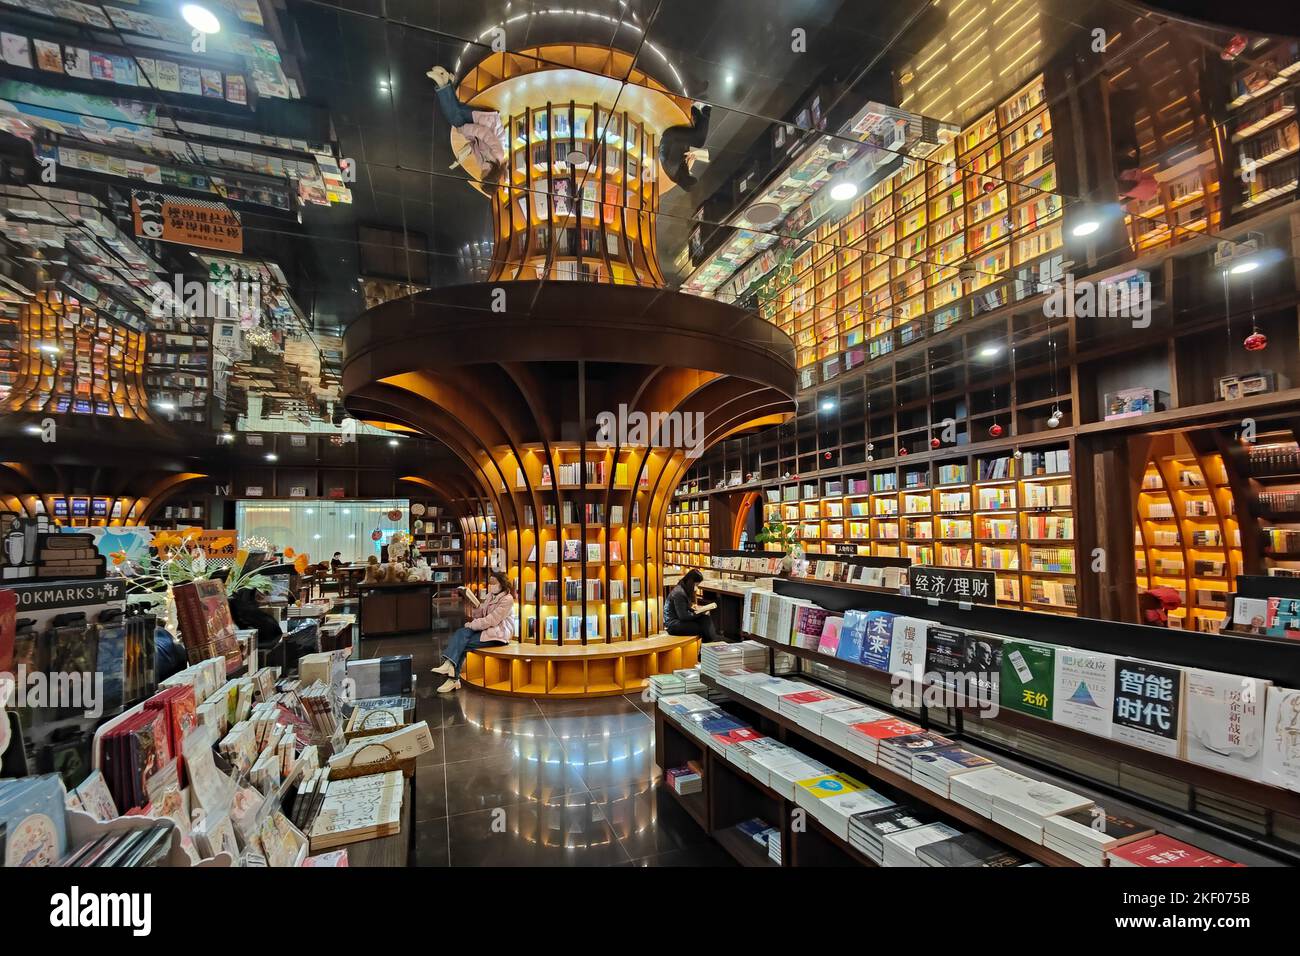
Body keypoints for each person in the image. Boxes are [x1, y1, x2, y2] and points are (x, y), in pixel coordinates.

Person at [431, 570, 516, 692]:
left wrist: (472, 625)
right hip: (487, 630)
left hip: (499, 634)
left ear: (502, 584)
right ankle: (450, 669)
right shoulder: (490, 595)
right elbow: (481, 614)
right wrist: (475, 606)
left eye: (494, 583)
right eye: (490, 582)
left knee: (463, 642)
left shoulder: (507, 599)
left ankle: (452, 676)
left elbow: (492, 620)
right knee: (461, 633)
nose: (491, 585)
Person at [659, 102, 711, 190]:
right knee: (697, 139)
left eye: (690, 174)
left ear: (686, 177)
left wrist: (688, 153)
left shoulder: (674, 167)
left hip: (670, 137)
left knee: (699, 141)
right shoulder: (676, 176)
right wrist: (687, 158)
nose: (690, 172)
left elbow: (678, 144)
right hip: (671, 141)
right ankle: (698, 110)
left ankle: (703, 109)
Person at [664, 568, 719, 641]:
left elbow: (684, 609)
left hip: (679, 621)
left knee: (705, 619)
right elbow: (683, 616)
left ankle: (712, 641)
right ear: (691, 582)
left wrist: (697, 611)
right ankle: (711, 642)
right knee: (700, 627)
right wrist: (699, 613)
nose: (696, 587)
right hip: (673, 625)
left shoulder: (683, 589)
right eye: (696, 584)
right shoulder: (679, 593)